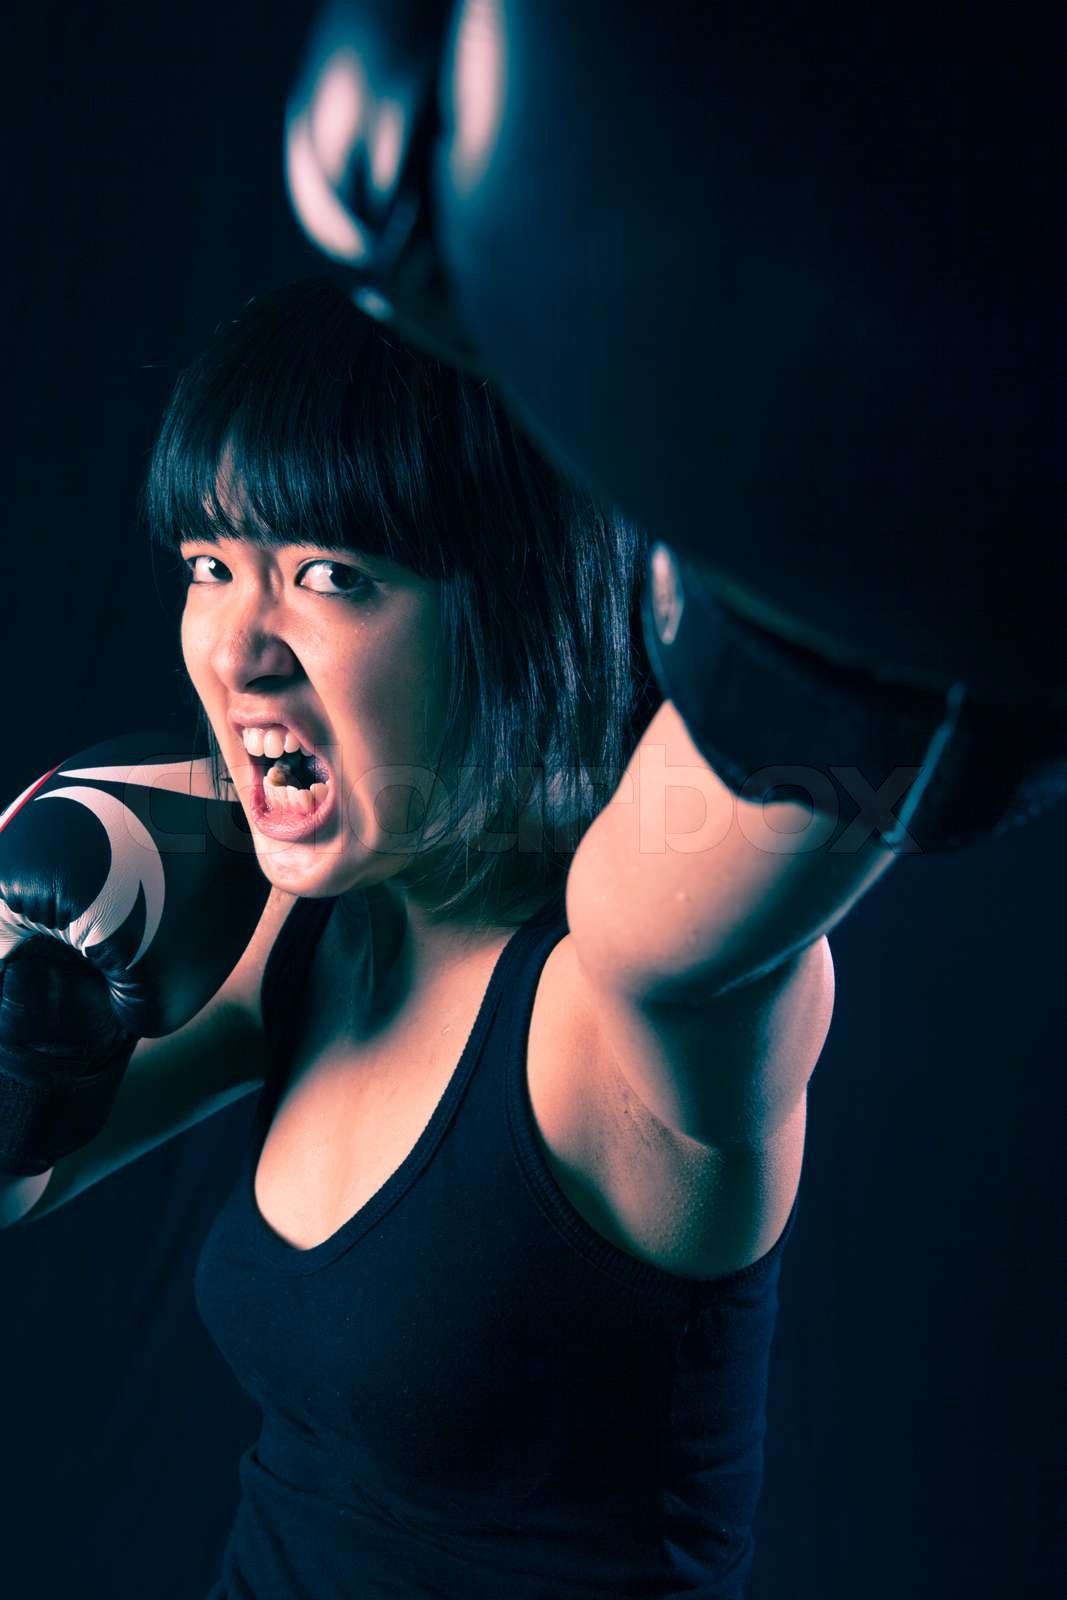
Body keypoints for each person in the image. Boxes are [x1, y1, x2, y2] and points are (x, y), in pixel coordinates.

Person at [2, 276, 893, 1598]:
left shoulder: (615, 1004)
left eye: (330, 575)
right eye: (210, 567)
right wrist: (23, 998)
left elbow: (785, 761)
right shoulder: (303, 928)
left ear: (515, 599)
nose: (238, 652)